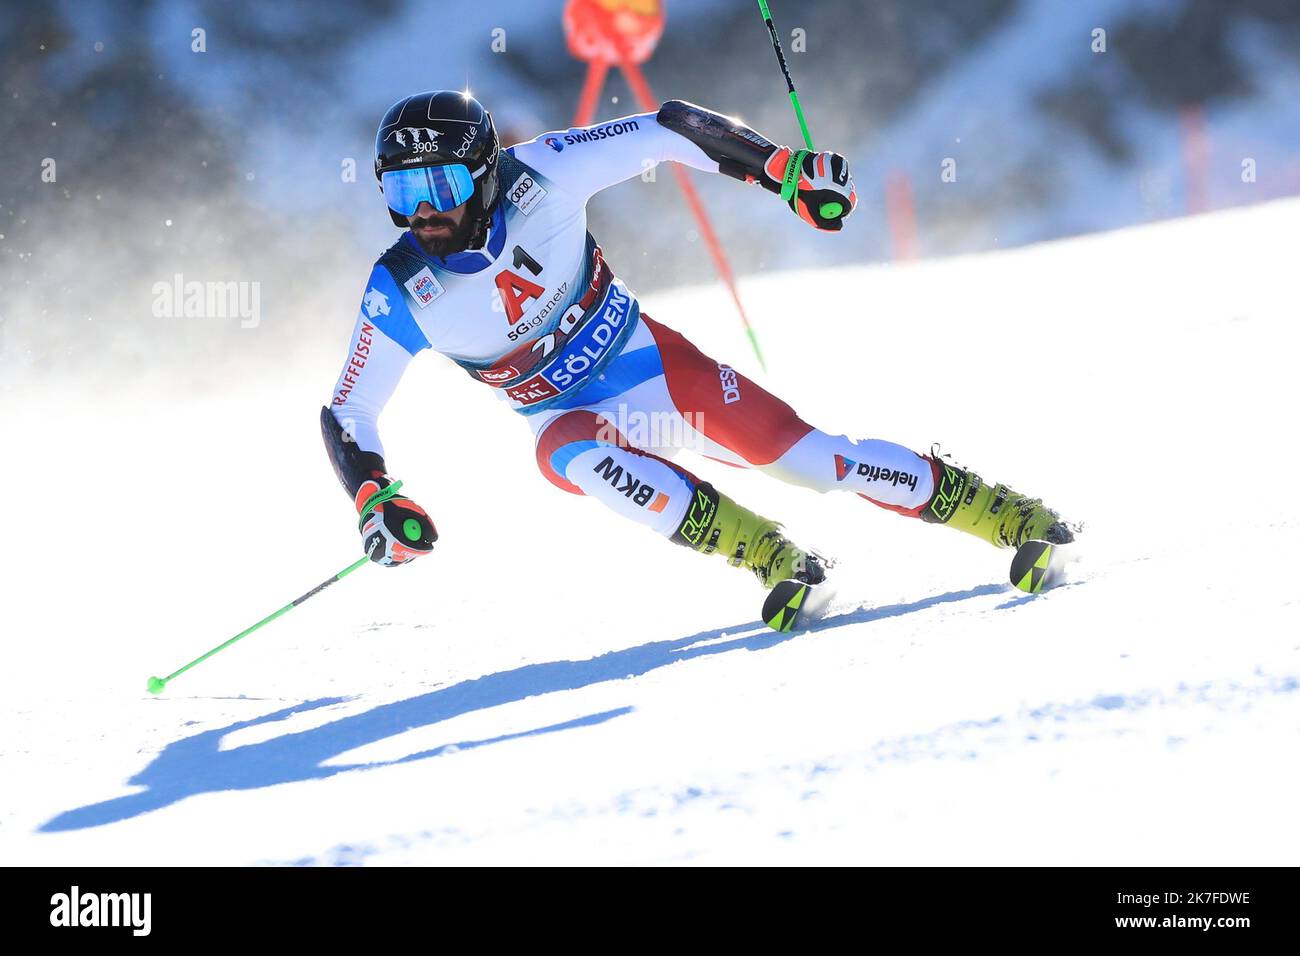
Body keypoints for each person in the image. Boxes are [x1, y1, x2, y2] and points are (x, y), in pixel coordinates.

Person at [322, 90, 1073, 607]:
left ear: (484, 171)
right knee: (577, 457)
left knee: (815, 462)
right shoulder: (400, 287)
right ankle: (771, 558)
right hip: (566, 418)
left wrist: (784, 173)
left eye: (444, 184)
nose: (424, 212)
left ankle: (1009, 515)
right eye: (402, 191)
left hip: (653, 367)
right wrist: (374, 496)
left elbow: (667, 127)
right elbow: (350, 407)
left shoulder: (542, 173)